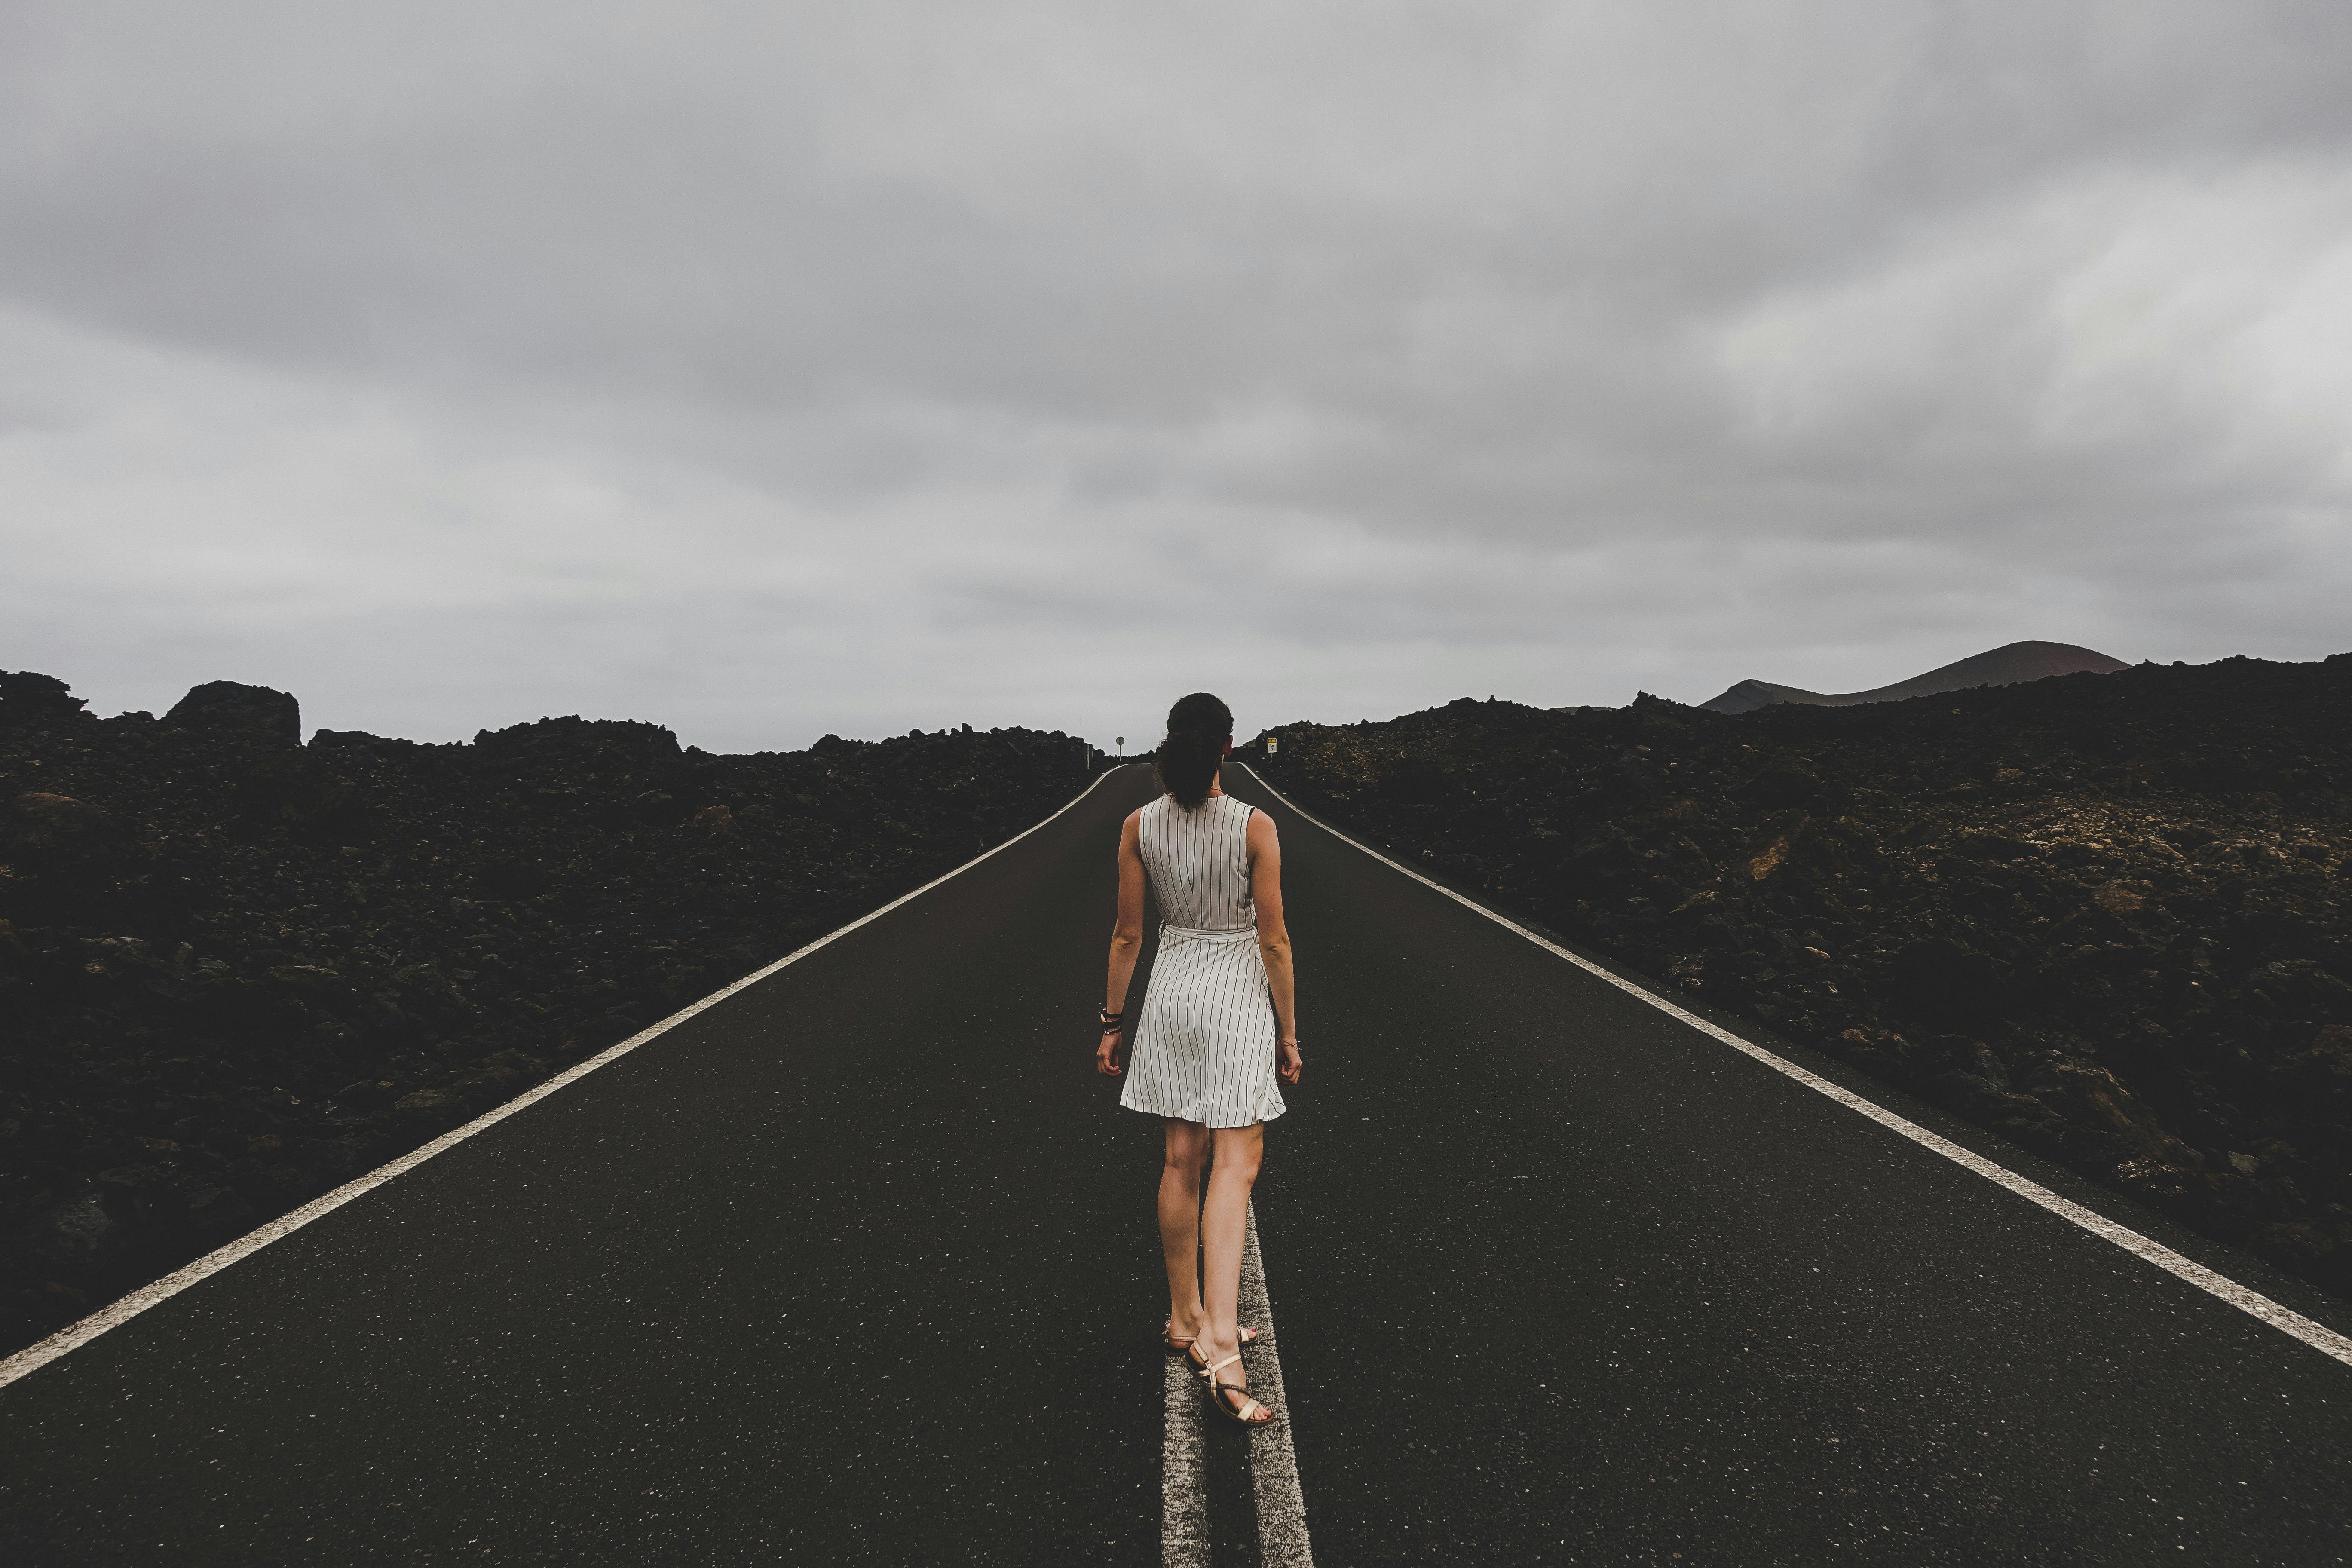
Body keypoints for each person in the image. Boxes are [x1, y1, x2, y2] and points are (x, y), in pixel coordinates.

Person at [1097, 692, 1304, 1427]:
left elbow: (1128, 935)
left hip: (1171, 993)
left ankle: (1185, 1318)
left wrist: (1112, 1022)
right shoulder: (1255, 826)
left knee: (1181, 1158)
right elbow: (1274, 942)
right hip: (1234, 996)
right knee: (1236, 1165)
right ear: (1226, 747)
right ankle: (1221, 1346)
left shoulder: (1138, 824)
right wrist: (1288, 1032)